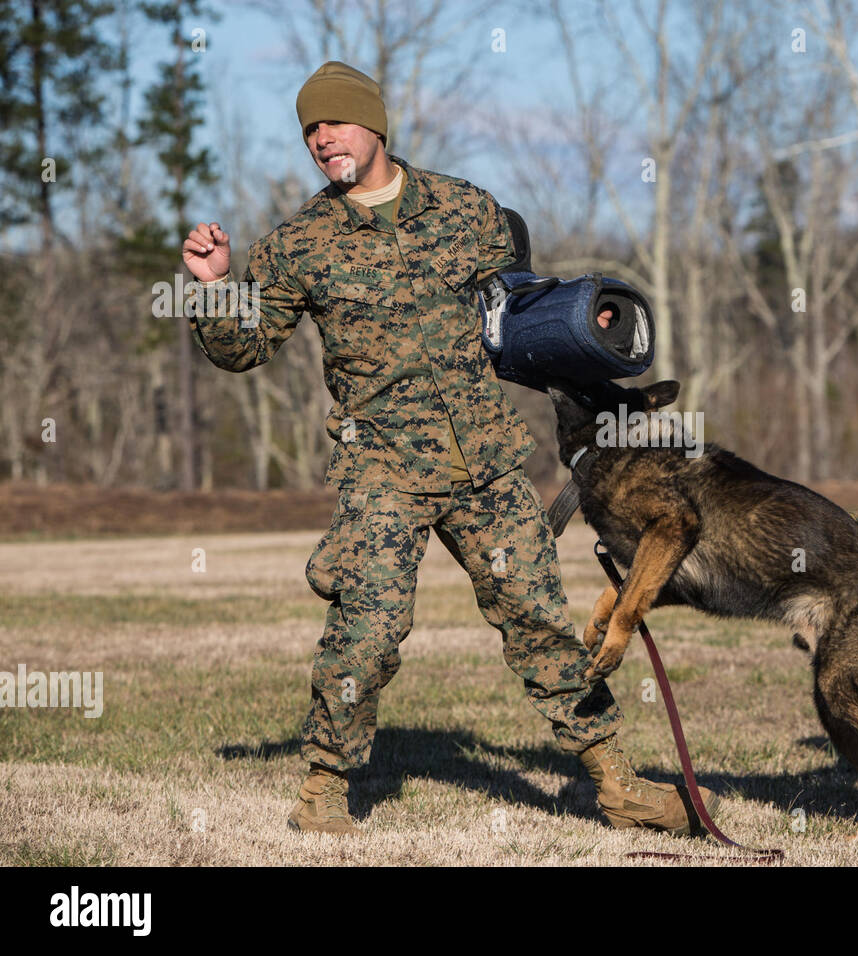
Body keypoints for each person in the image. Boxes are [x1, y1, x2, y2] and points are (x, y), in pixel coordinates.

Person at [181, 60, 714, 836]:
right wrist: (211, 288)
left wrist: (594, 361)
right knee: (367, 627)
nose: (322, 138)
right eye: (309, 129)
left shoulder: (468, 210)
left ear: (376, 125)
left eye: (334, 122)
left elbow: (526, 316)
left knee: (539, 622)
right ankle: (325, 791)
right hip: (384, 467)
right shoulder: (301, 241)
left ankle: (615, 781)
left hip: (486, 463)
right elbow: (242, 347)